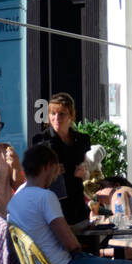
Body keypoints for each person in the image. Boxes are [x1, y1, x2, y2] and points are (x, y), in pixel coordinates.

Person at [7, 145, 132, 264]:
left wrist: (75, 230)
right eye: (57, 169)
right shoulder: (45, 196)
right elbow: (71, 244)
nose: (57, 176)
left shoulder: (17, 197)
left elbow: (43, 230)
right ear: (47, 166)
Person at [30, 92, 93, 226]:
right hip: (52, 205)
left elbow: (87, 170)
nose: (56, 118)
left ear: (71, 115)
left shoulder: (81, 140)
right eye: (53, 113)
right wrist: (50, 173)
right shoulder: (41, 140)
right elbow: (34, 177)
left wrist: (84, 173)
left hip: (77, 205)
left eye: (62, 114)